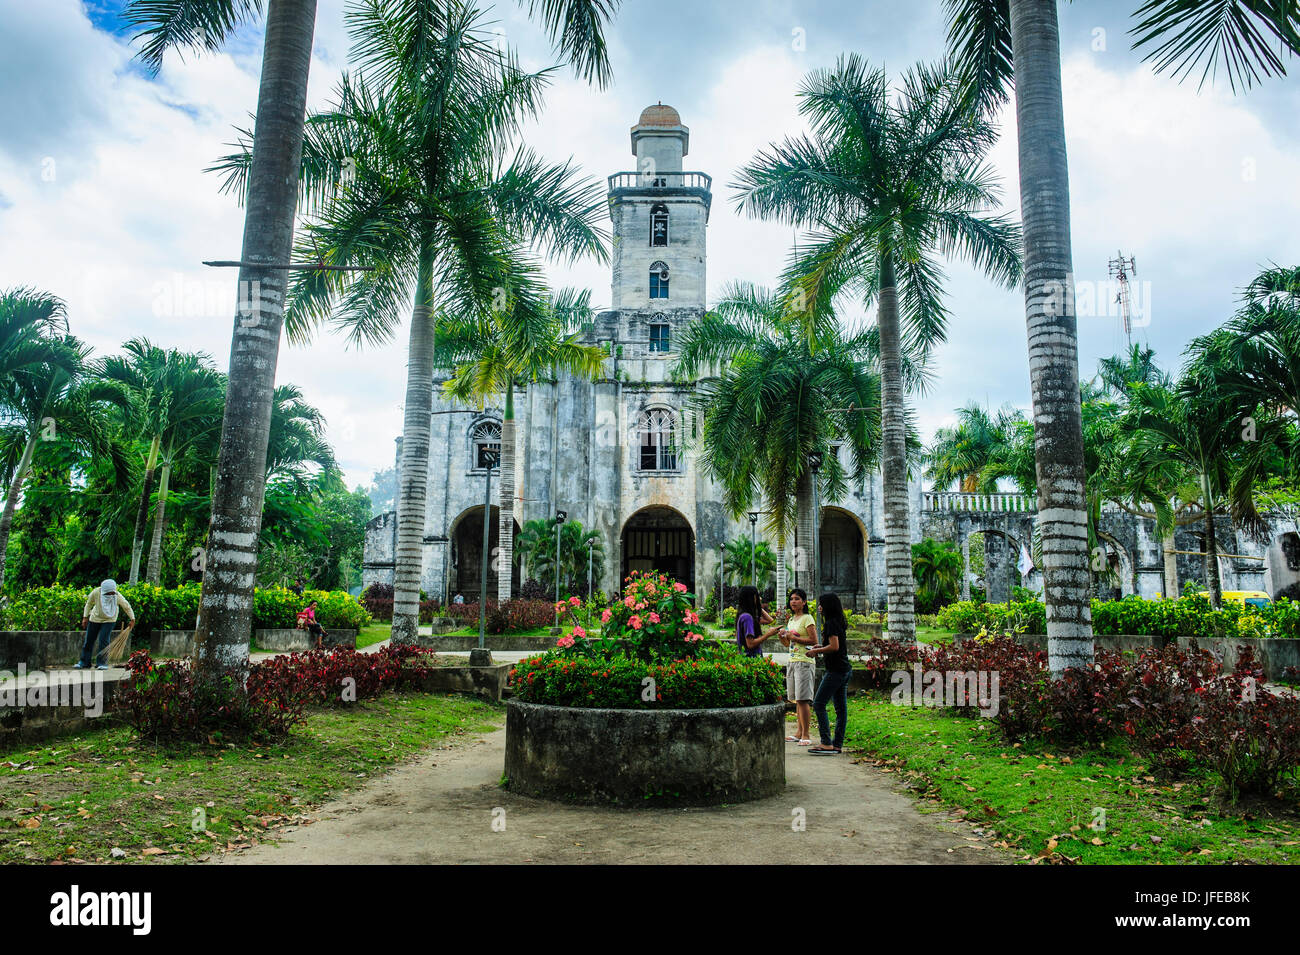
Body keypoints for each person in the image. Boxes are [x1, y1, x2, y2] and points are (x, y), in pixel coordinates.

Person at [806, 592, 851, 754]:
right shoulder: (838, 621)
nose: (819, 608)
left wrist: (815, 652)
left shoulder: (831, 623)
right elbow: (834, 645)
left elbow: (834, 647)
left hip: (836, 671)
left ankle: (826, 742)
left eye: (821, 604)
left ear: (828, 606)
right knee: (840, 710)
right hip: (844, 669)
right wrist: (820, 647)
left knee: (819, 703)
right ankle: (837, 743)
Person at [780, 588, 817, 745]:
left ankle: (806, 735)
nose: (793, 602)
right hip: (793, 660)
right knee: (797, 700)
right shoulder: (791, 620)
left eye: (797, 599)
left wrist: (793, 637)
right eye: (791, 599)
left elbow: (813, 641)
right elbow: (788, 644)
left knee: (803, 699)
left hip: (804, 662)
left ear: (804, 602)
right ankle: (799, 732)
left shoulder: (807, 618)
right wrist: (783, 637)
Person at [77, 579, 135, 671]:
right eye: (108, 593)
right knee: (89, 640)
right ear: (103, 591)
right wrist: (85, 617)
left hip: (110, 620)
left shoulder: (117, 596)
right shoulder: (96, 592)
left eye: (112, 593)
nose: (111, 595)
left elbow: (126, 606)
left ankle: (102, 663)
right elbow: (88, 604)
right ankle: (84, 662)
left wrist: (132, 619)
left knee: (103, 640)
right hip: (95, 618)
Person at [734, 586, 776, 657]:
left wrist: (758, 606)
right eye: (757, 595)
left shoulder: (744, 615)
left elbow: (770, 620)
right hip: (751, 658)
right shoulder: (747, 618)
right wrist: (768, 634)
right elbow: (750, 644)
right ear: (751, 598)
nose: (760, 598)